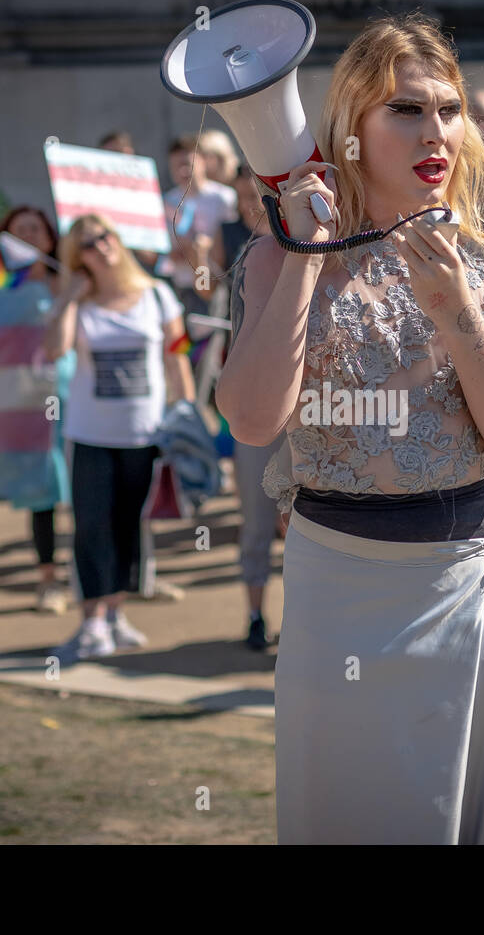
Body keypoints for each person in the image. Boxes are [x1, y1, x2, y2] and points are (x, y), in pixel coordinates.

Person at [220, 14, 484, 844]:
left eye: (449, 109)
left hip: (461, 585)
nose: (436, 132)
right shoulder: (276, 256)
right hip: (334, 587)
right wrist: (305, 253)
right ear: (351, 127)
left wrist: (458, 315)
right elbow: (251, 418)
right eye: (405, 110)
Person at [43, 214, 196, 661]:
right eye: (87, 244)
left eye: (105, 236)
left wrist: (185, 411)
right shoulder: (80, 301)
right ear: (78, 257)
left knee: (130, 528)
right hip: (90, 435)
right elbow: (55, 349)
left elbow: (178, 357)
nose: (100, 246)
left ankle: (115, 616)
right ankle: (90, 622)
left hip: (144, 434)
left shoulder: (158, 295)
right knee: (91, 527)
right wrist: (69, 297)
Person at [0, 206, 73, 614]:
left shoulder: (69, 282)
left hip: (77, 400)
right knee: (41, 491)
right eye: (18, 231)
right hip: (28, 406)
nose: (27, 237)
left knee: (83, 488)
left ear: (49, 238)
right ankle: (47, 579)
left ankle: (94, 574)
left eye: (34, 229)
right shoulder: (0, 290)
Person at [220, 166, 284, 649]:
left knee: (307, 522)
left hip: (310, 411)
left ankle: (306, 621)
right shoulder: (237, 251)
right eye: (243, 196)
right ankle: (255, 618)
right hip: (256, 408)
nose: (250, 205)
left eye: (258, 196)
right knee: (257, 522)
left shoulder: (316, 247)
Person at [162, 133, 237, 321]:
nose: (182, 172)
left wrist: (203, 250)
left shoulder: (224, 198)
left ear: (203, 161)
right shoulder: (167, 202)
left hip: (214, 281)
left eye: (187, 164)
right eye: (176, 166)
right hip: (183, 285)